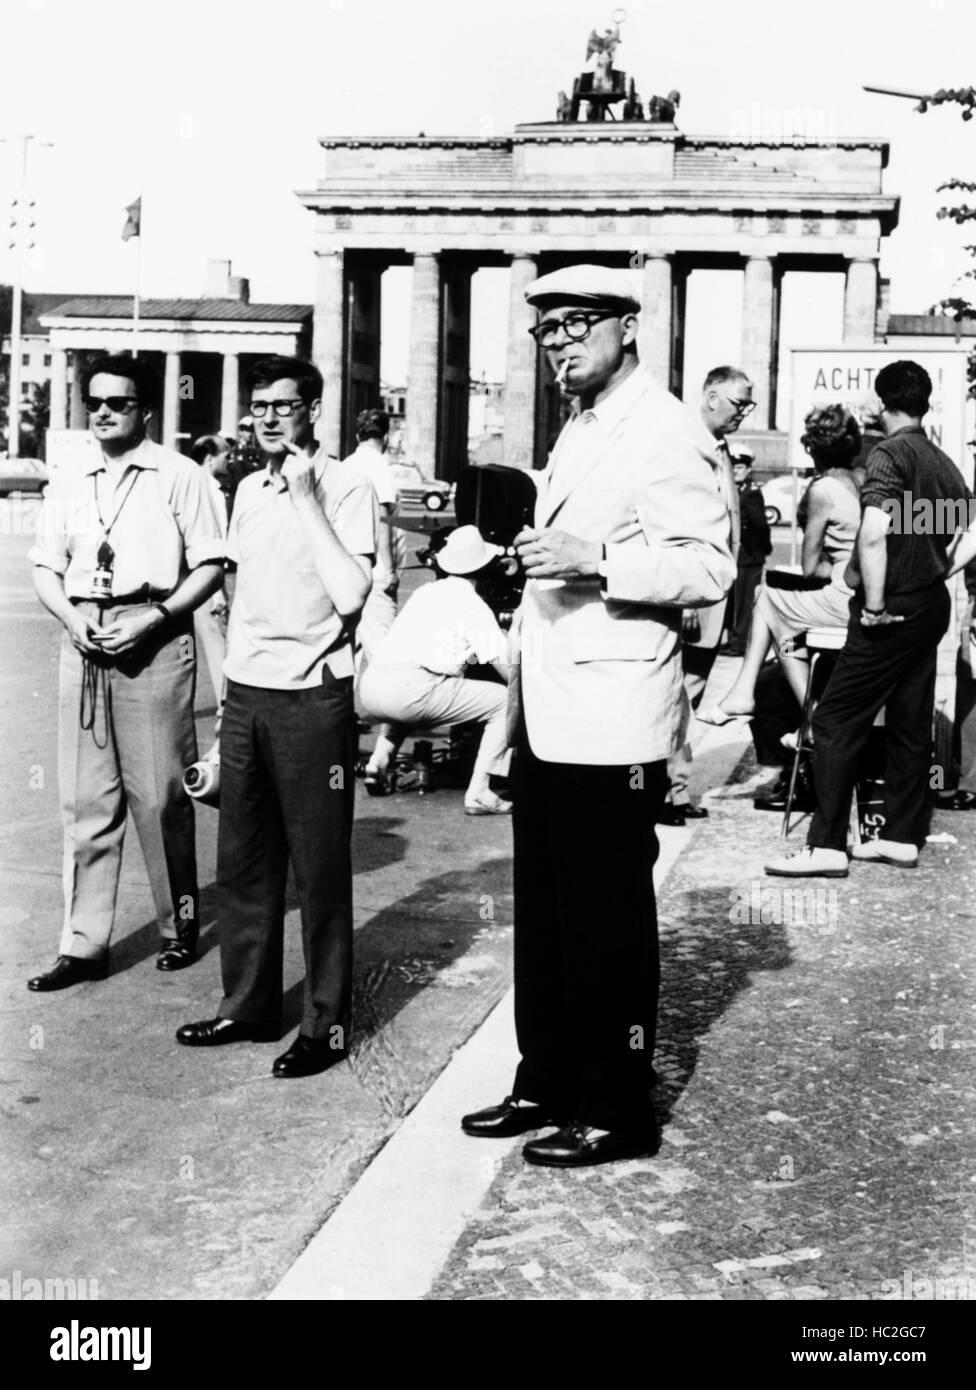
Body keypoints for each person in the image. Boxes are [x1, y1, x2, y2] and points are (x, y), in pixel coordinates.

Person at [461, 265, 735, 1166]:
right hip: (554, 707)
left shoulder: (665, 430)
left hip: (614, 716)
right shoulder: (582, 426)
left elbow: (707, 568)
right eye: (546, 330)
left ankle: (619, 1108)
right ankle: (546, 1078)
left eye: (580, 324)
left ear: (629, 327)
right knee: (546, 908)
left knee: (608, 918)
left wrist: (599, 559)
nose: (561, 343)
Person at [176, 355, 379, 1077]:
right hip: (249, 697)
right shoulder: (246, 489)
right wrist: (228, 694)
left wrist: (304, 497)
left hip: (312, 699)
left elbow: (352, 594)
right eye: (257, 405)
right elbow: (236, 596)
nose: (265, 417)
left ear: (314, 410)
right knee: (243, 864)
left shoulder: (348, 487)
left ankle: (323, 1025)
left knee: (318, 870)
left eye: (282, 405)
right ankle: (249, 1004)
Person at [26, 354, 225, 989]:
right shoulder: (69, 479)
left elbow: (211, 565)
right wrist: (70, 618)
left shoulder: (181, 475)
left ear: (145, 409)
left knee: (162, 796)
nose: (105, 412)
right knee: (85, 801)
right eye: (96, 402)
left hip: (154, 636)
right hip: (84, 639)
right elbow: (45, 567)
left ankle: (179, 926)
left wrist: (159, 617)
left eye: (119, 402)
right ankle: (84, 943)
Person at [766, 361, 973, 877]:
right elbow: (964, 528)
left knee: (835, 720)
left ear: (883, 403)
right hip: (930, 603)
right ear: (927, 402)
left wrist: (876, 605)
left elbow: (876, 532)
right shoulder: (942, 463)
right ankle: (900, 836)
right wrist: (944, 565)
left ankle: (827, 845)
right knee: (909, 721)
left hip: (893, 604)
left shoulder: (889, 454)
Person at [702, 403, 865, 722]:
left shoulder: (823, 490)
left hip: (843, 595)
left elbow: (810, 568)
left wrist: (836, 567)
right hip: (863, 592)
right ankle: (748, 694)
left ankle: (797, 710)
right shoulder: (859, 481)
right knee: (778, 615)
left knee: (766, 599)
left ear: (812, 449)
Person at [359, 524, 512, 815]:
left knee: (412, 691)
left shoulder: (425, 592)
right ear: (484, 568)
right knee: (504, 703)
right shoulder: (473, 604)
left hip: (373, 686)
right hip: (411, 693)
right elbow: (505, 669)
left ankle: (378, 760)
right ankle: (479, 791)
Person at [661, 366, 750, 825]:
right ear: (712, 396)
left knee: (688, 698)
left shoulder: (720, 447)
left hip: (716, 597)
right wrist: (684, 600)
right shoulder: (683, 445)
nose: (744, 414)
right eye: (739, 404)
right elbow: (674, 527)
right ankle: (662, 792)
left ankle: (675, 790)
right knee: (671, 697)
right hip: (692, 597)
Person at [189, 434, 234, 719]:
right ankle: (226, 702)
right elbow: (213, 542)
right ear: (209, 458)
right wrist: (217, 590)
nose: (229, 461)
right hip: (207, 579)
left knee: (185, 645)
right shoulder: (212, 491)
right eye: (225, 456)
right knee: (218, 641)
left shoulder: (187, 483)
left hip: (185, 578)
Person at [722, 446, 772, 656]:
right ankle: (733, 638)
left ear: (749, 469)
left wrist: (763, 549)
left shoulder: (751, 493)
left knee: (744, 602)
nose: (736, 471)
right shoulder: (735, 490)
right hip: (738, 555)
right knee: (733, 601)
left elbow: (760, 525)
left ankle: (739, 644)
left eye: (740, 467)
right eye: (733, 467)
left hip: (749, 555)